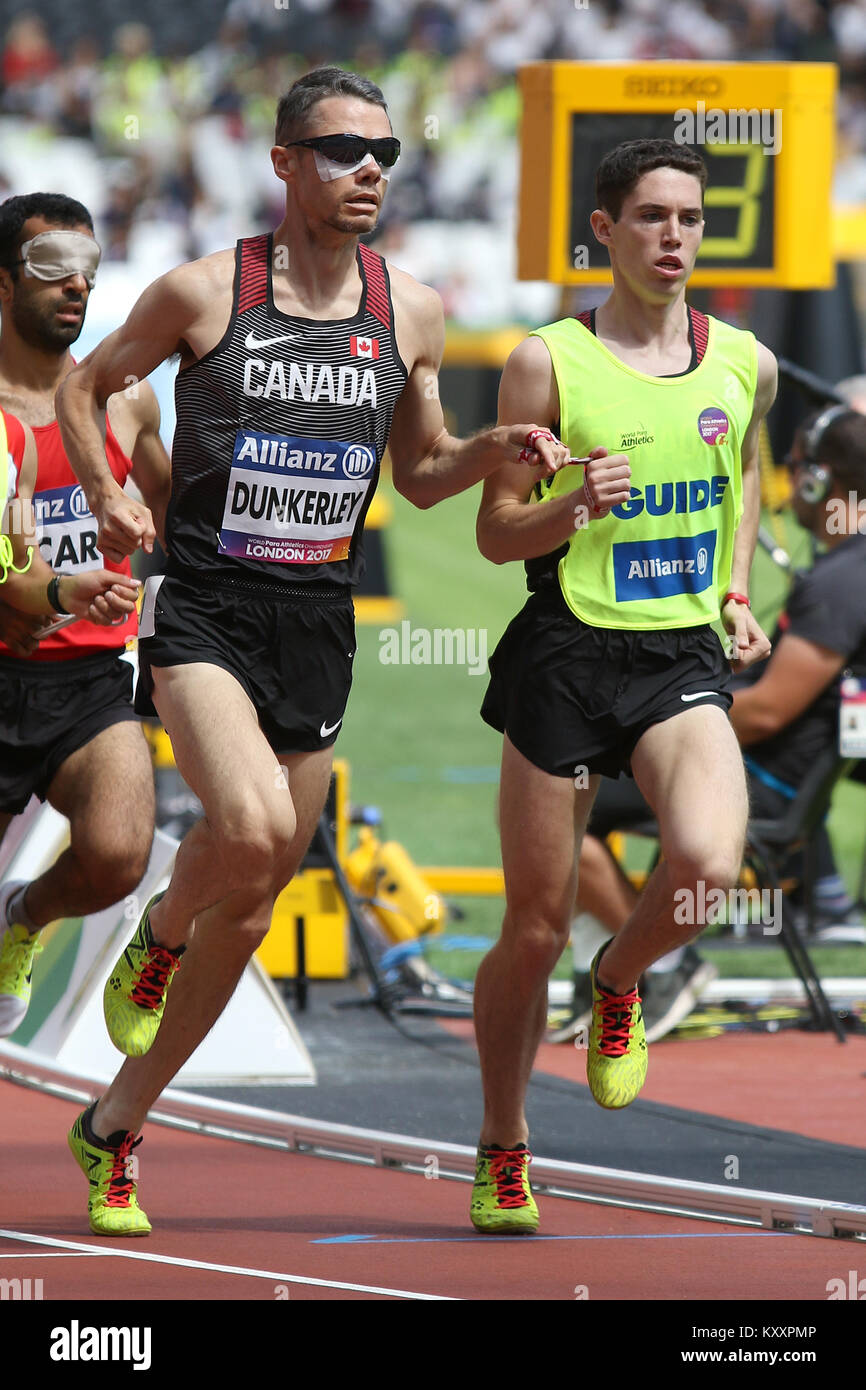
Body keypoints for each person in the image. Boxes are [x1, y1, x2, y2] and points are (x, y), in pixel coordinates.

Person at [55, 65, 567, 1237]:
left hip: (317, 622)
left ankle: (115, 1126)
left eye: (382, 150)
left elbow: (423, 476)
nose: (368, 169)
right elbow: (88, 387)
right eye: (340, 150)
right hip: (206, 610)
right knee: (251, 831)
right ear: (284, 162)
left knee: (262, 890)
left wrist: (495, 444)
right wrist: (110, 496)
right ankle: (157, 932)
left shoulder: (413, 309)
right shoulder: (203, 289)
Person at [473, 138, 777, 1233]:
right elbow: (493, 531)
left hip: (677, 659)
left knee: (701, 865)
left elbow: (745, 471)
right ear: (602, 230)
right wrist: (570, 509)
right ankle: (503, 1147)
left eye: (689, 218)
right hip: (564, 649)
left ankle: (619, 977)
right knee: (530, 926)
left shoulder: (742, 357)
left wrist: (733, 584)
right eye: (650, 217)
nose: (673, 237)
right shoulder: (543, 361)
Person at [552, 402, 866, 1047]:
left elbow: (769, 709)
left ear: (819, 479)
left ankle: (663, 965)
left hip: (766, 780)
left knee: (556, 808)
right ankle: (633, 964)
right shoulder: (846, 571)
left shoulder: (842, 583)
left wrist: (668, 728)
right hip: (768, 770)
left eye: (800, 468)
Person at [0, 193, 171, 1037]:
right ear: (1, 283)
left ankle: (19, 920)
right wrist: (64, 589)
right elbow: (9, 570)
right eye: (49, 268)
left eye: (88, 271)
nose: (75, 285)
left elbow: (177, 516)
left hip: (88, 680)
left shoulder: (127, 401)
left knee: (116, 859)